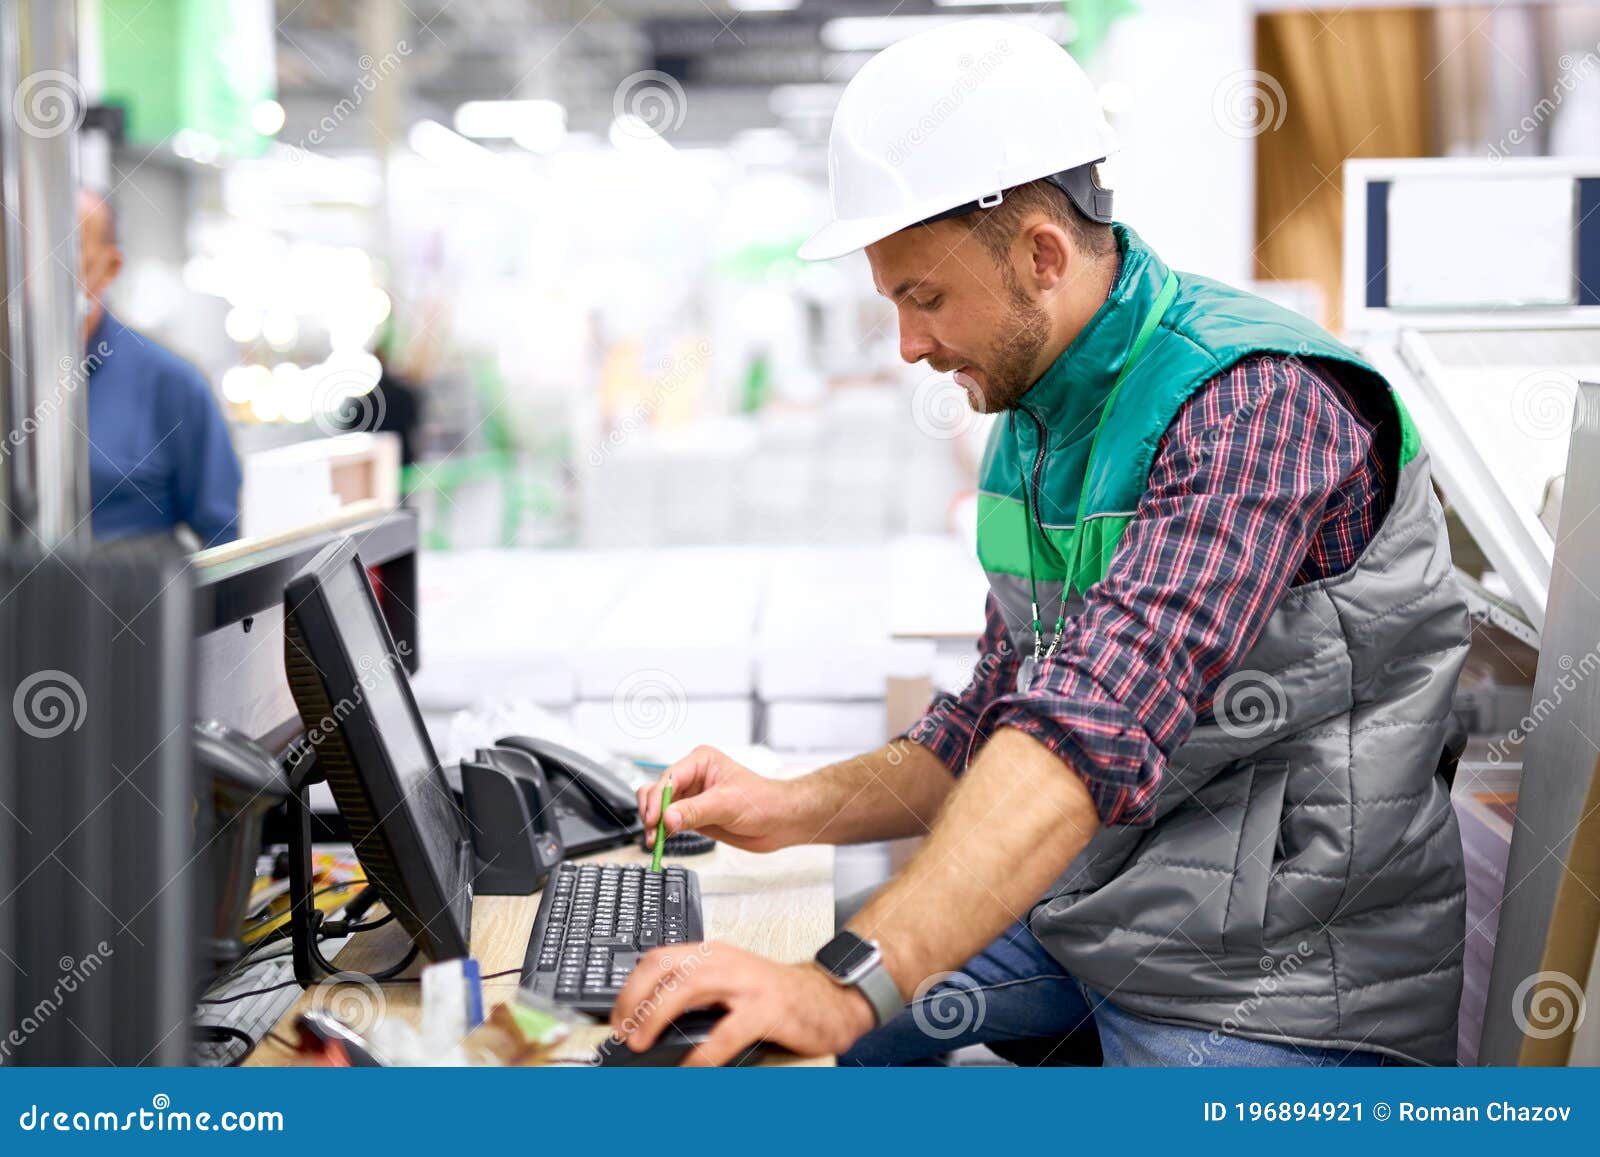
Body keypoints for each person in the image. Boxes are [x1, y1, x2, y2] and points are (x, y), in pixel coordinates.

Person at [610, 21, 1469, 1068]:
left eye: (924, 297)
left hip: (1272, 975)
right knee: (745, 1046)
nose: (908, 345)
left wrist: (839, 989)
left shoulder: (1255, 402)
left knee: (832, 1003)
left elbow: (1094, 720)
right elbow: (991, 721)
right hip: (1103, 912)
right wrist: (786, 807)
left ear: (1041, 256)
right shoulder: (1037, 415)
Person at [77, 190, 242, 548]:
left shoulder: (172, 385)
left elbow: (223, 537)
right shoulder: (16, 383)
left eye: (67, 249)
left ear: (110, 268)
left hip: (128, 584)